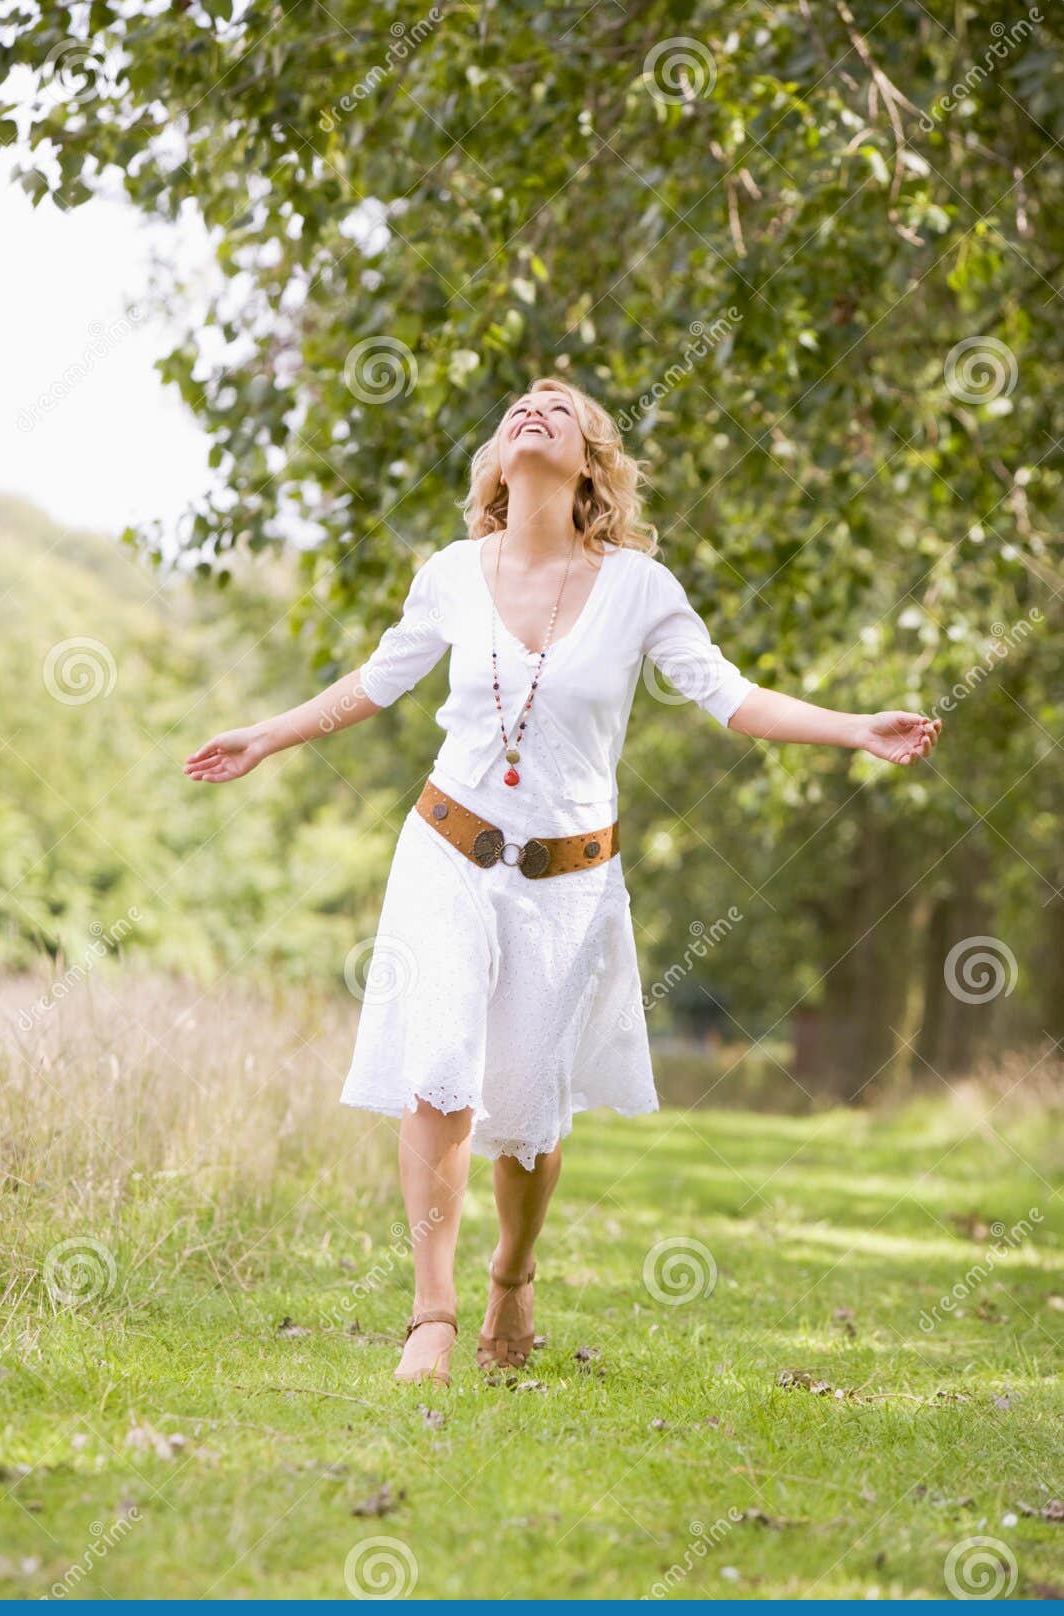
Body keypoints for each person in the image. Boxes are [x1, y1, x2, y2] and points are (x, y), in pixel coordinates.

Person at [184, 377, 941, 1386]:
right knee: (438, 1070)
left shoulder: (636, 588)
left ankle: (511, 1271)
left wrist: (853, 727)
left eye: (560, 407)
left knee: (527, 1112)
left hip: (569, 882)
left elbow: (729, 697)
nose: (532, 408)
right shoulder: (453, 572)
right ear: (498, 461)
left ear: (590, 463)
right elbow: (376, 680)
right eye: (515, 409)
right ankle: (432, 1314)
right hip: (446, 850)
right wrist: (267, 734)